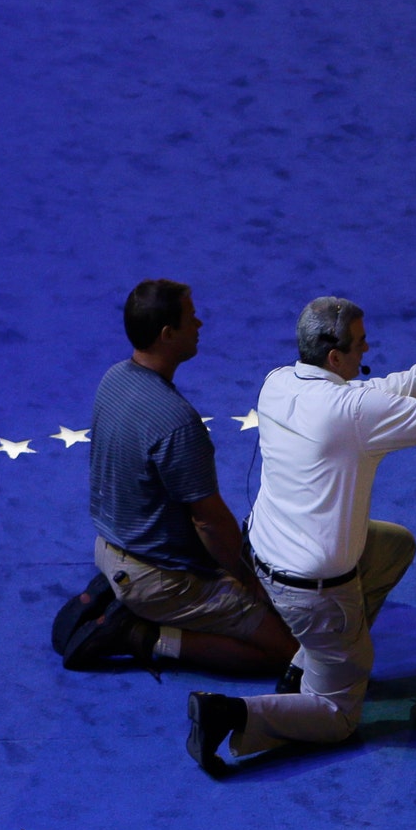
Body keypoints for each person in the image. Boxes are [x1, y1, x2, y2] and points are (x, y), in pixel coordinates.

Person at [185, 292, 416, 774]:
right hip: (313, 589)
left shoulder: (278, 381)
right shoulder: (351, 411)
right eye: (359, 343)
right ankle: (231, 713)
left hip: (264, 553)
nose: (367, 350)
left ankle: (312, 660)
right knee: (339, 716)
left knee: (394, 546)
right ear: (334, 357)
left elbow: (375, 392)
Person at [71, 279, 299, 675]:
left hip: (108, 547)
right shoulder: (177, 423)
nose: (200, 324)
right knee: (291, 653)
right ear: (167, 334)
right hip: (157, 580)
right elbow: (208, 522)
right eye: (191, 318)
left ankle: (128, 597)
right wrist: (249, 582)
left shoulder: (113, 378)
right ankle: (143, 635)